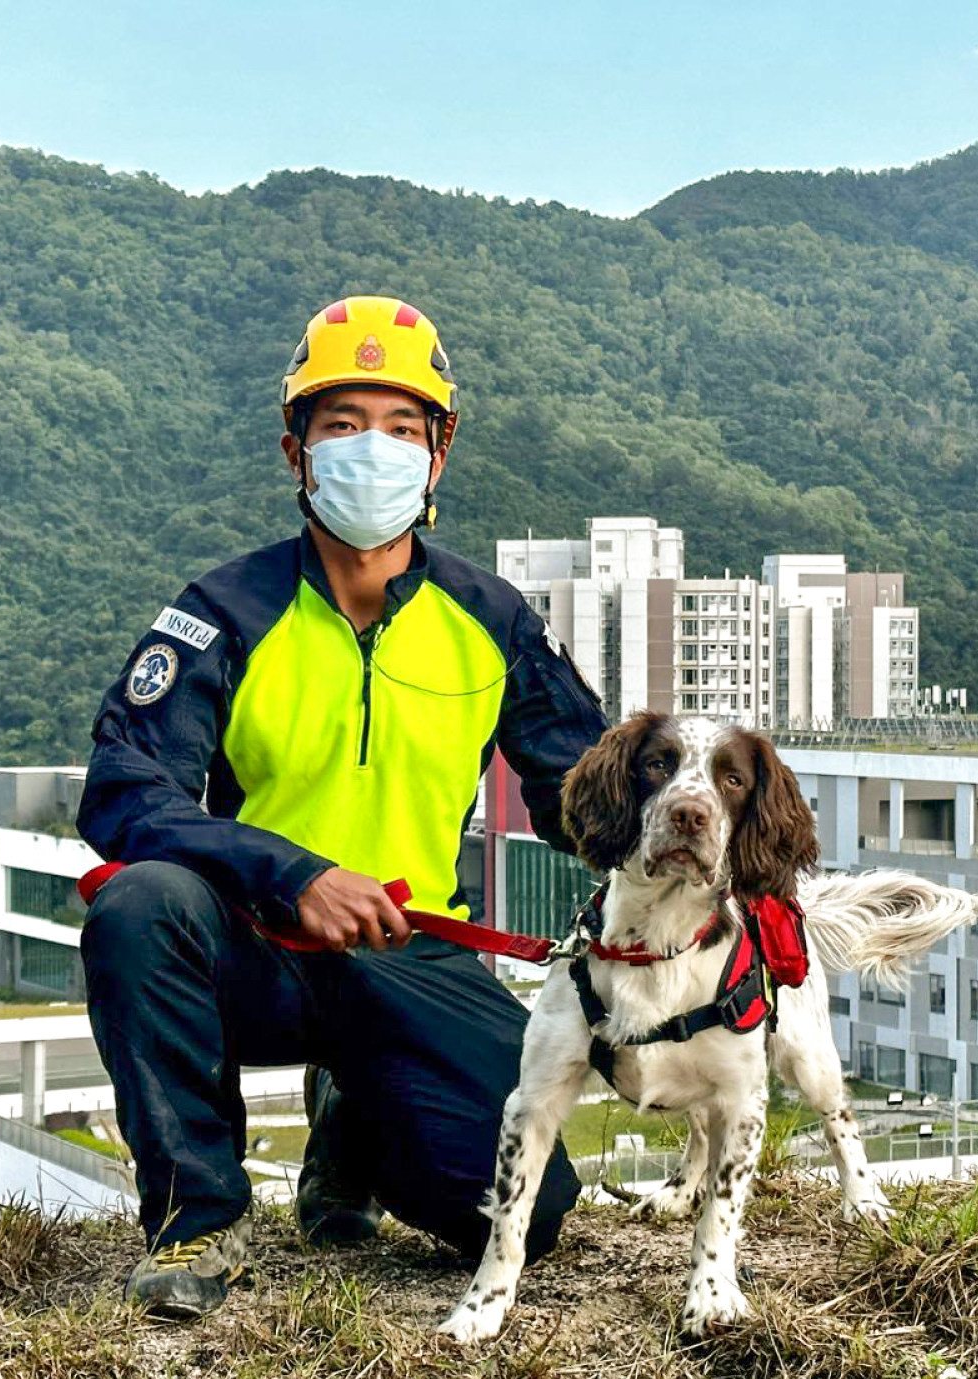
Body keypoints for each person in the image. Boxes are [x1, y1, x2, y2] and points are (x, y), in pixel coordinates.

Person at [76, 296, 607, 1318]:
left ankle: (350, 1140)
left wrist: (692, 845)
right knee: (138, 905)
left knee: (522, 1219)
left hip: (409, 950)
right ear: (297, 450)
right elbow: (126, 787)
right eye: (343, 424)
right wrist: (291, 874)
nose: (375, 449)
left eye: (403, 427)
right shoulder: (223, 612)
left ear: (438, 454)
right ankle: (195, 1218)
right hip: (255, 950)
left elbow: (581, 789)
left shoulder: (490, 618)